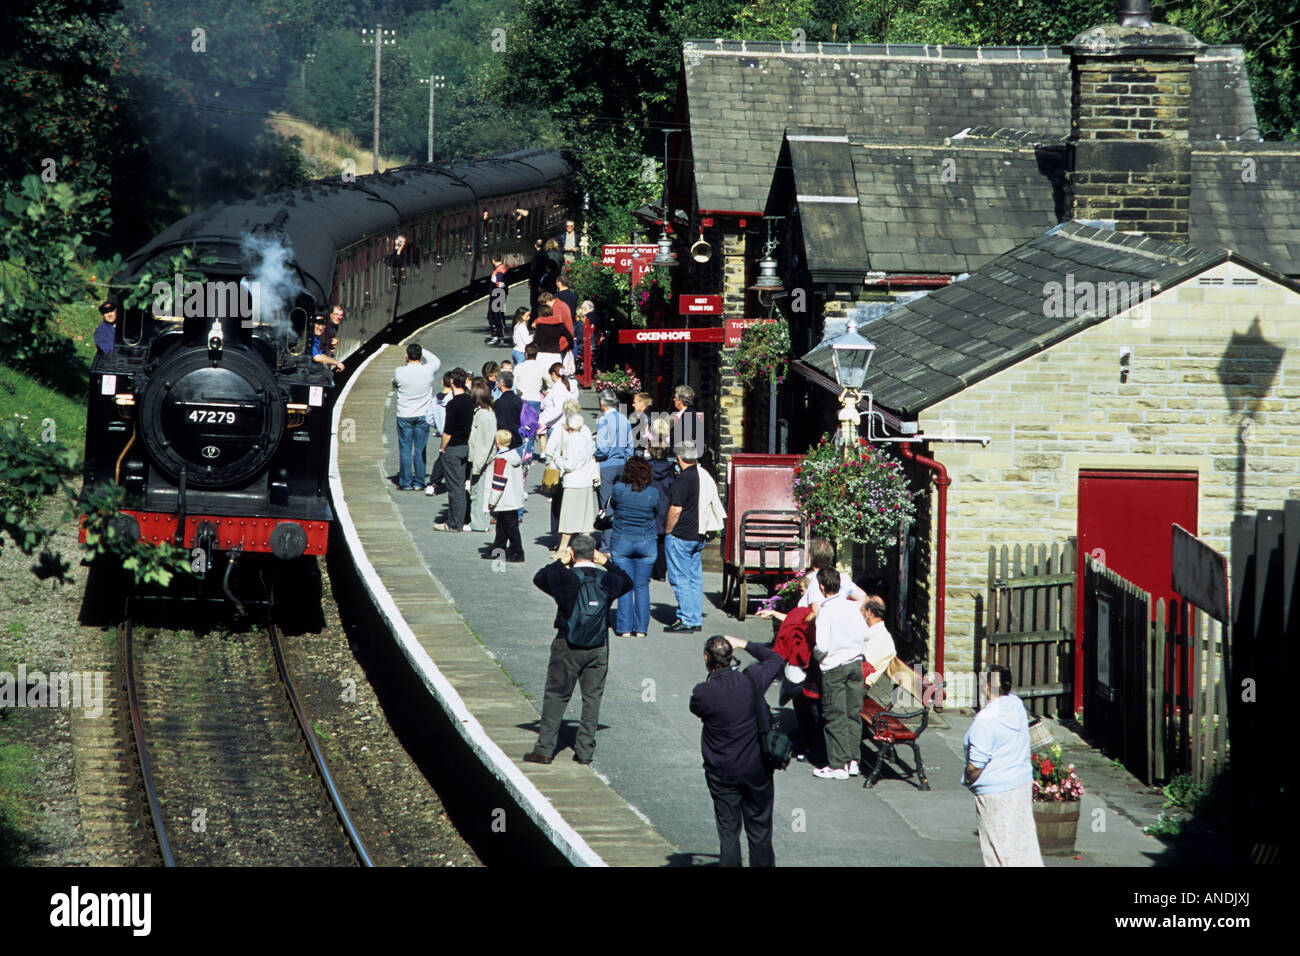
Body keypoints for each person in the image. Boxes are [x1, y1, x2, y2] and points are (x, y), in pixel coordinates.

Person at [524, 535, 633, 765]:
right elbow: (627, 581)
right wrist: (607, 563)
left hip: (567, 644)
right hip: (598, 645)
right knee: (592, 698)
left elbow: (539, 578)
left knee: (556, 694)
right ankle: (584, 752)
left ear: (572, 554)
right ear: (594, 554)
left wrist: (561, 561)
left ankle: (544, 750)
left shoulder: (564, 578)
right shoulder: (607, 580)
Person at [689, 634, 784, 867]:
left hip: (722, 771)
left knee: (728, 833)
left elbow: (696, 709)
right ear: (731, 656)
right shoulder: (751, 680)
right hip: (756, 769)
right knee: (760, 831)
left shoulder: (704, 692)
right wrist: (745, 644)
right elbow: (776, 659)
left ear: (706, 659)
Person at [963, 666, 1044, 867]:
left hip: (994, 792)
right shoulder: (1016, 705)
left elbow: (975, 766)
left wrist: (968, 778)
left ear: (987, 687)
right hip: (1021, 784)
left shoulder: (986, 720)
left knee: (997, 849)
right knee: (1023, 845)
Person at [808, 566, 866, 780]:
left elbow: (822, 645)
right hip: (855, 663)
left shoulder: (825, 611)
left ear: (822, 587)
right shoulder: (852, 608)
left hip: (834, 667)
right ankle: (853, 760)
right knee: (852, 712)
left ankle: (837, 764)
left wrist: (817, 656)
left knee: (834, 713)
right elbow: (865, 634)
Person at [606, 456, 660, 638]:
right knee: (642, 586)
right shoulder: (653, 493)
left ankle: (625, 627)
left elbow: (613, 506)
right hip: (646, 541)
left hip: (622, 540)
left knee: (625, 584)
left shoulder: (619, 489)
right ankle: (641, 628)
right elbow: (656, 512)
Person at [664, 440, 708, 633]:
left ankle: (687, 619)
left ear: (679, 458)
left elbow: (675, 509)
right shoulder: (703, 475)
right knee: (694, 578)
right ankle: (695, 617)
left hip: (681, 535)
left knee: (680, 578)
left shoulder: (682, 480)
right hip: (698, 533)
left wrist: (668, 530)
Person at [391, 342, 440, 491]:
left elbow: (394, 384)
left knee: (405, 449)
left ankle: (405, 482)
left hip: (404, 415)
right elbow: (436, 360)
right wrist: (422, 350)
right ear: (420, 355)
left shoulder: (399, 371)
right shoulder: (428, 369)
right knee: (420, 449)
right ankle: (419, 482)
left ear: (406, 355)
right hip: (422, 415)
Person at [433, 368, 471, 532]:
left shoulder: (453, 404)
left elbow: (447, 430)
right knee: (461, 486)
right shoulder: (470, 401)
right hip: (466, 446)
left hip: (454, 448)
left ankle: (454, 523)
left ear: (453, 383)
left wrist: (442, 448)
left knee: (454, 488)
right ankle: (462, 519)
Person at [556, 412, 598, 554]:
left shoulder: (571, 441)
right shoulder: (586, 439)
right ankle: (587, 549)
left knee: (569, 518)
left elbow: (570, 465)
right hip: (586, 480)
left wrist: (559, 461)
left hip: (573, 482)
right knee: (585, 518)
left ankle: (563, 548)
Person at [487, 429, 526, 562]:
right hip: (513, 497)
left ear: (497, 441)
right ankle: (498, 550)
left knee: (510, 527)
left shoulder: (501, 459)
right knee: (503, 526)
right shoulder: (513, 454)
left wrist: (492, 500)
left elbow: (499, 481)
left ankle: (517, 552)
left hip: (504, 499)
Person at [594, 389, 634, 512]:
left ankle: (608, 531)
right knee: (620, 503)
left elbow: (603, 448)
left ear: (602, 403)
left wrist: (594, 455)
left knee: (607, 505)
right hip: (621, 464)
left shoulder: (603, 420)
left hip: (607, 465)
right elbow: (630, 447)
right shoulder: (624, 419)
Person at [646, 416, 676, 581]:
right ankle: (660, 572)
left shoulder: (647, 469)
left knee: (650, 539)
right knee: (663, 540)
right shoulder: (671, 469)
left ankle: (649, 570)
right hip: (665, 506)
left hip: (650, 507)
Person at [467, 379, 498, 535]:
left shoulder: (483, 416)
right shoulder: (488, 412)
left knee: (479, 494)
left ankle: (478, 523)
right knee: (481, 493)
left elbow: (484, 443)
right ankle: (480, 521)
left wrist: (477, 466)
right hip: (485, 460)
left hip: (482, 461)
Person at [425, 370, 454, 496]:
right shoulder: (455, 399)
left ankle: (432, 483)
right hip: (455, 432)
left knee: (442, 457)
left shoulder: (435, 399)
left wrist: (438, 427)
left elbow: (428, 418)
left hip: (443, 432)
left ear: (442, 382)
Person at [537, 363, 578, 450]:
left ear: (554, 374)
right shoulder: (568, 386)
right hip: (565, 422)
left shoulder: (558, 388)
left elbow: (558, 409)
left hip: (555, 425)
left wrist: (543, 421)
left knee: (554, 455)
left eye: (550, 375)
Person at [493, 369, 523, 449]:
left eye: (498, 382)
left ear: (501, 383)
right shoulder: (519, 400)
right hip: (518, 439)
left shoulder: (498, 402)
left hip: (504, 441)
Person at [485, 253, 509, 345]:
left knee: (497, 316)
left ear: (493, 260)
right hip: (496, 294)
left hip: (498, 294)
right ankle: (495, 335)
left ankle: (500, 336)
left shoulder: (500, 270)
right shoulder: (500, 268)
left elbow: (500, 283)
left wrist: (496, 286)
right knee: (491, 315)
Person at [672, 384, 701, 454]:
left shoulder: (689, 417)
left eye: (675, 397)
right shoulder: (686, 414)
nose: (674, 399)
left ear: (680, 400)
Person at [528, 238, 549, 318]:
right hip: (543, 280)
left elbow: (533, 270)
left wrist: (530, 282)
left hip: (536, 282)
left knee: (534, 303)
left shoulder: (536, 255)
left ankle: (534, 319)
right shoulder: (545, 254)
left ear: (535, 246)